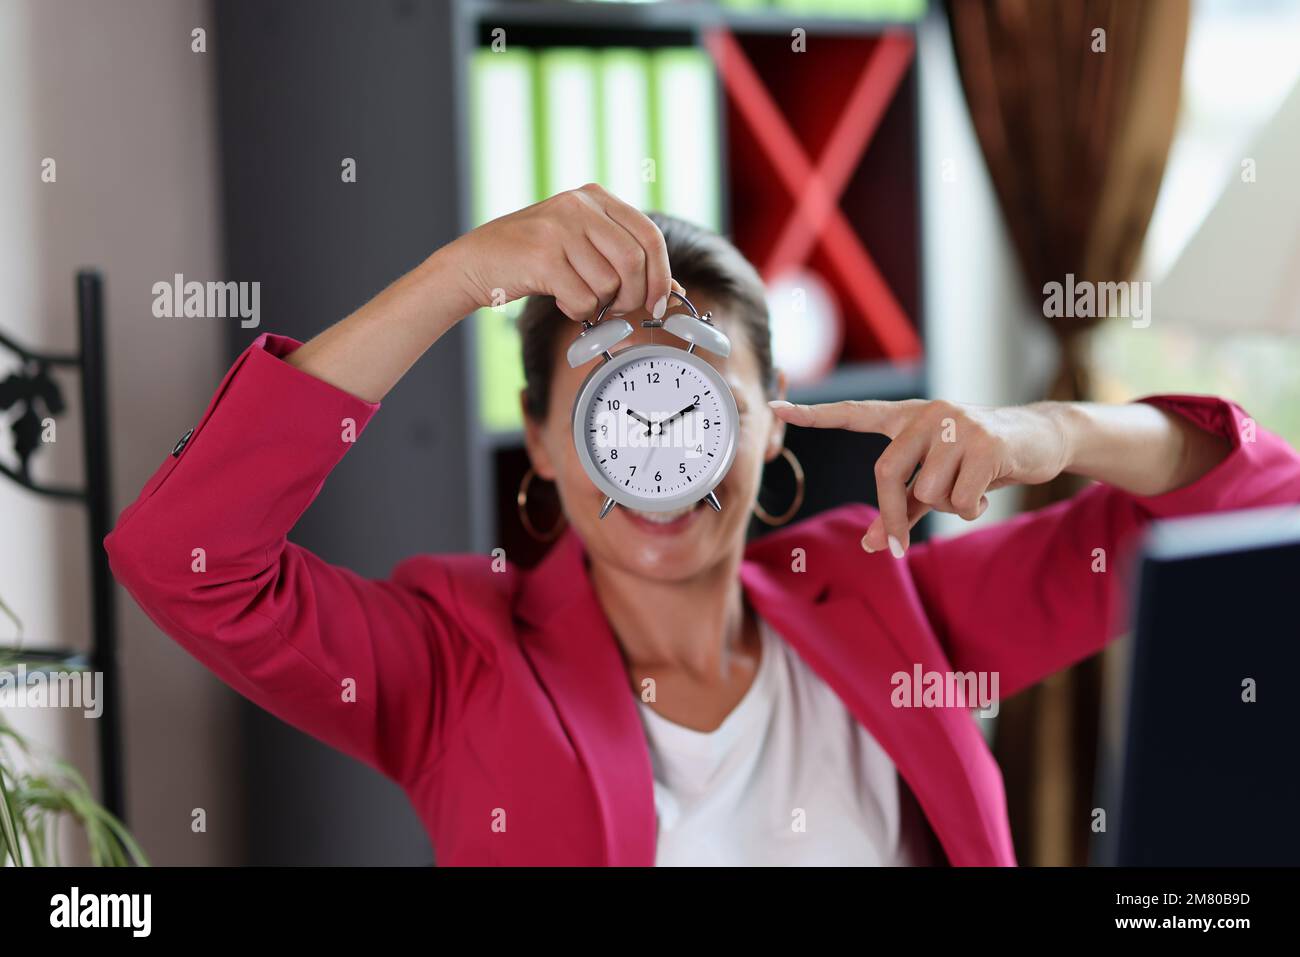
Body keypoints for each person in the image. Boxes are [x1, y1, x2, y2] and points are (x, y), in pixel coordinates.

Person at [105, 184, 1300, 866]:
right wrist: (459, 275)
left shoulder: (886, 598)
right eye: (616, 407)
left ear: (772, 428)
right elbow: (185, 562)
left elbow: (1253, 502)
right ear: (546, 441)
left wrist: (1047, 433)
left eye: (697, 406)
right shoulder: (457, 658)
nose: (662, 459)